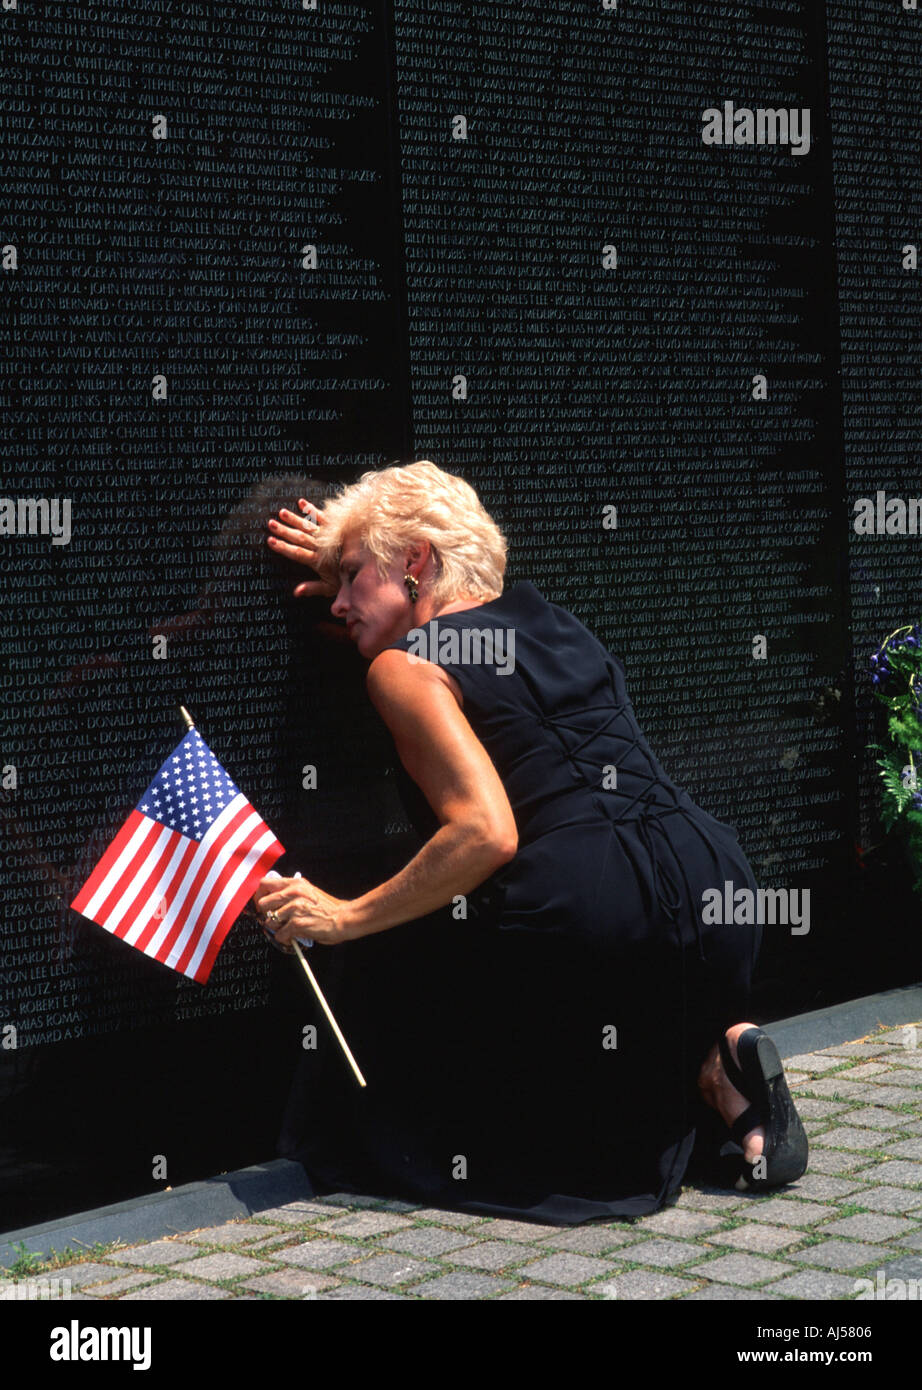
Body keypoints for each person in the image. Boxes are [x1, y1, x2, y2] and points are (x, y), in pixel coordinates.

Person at [252, 460, 808, 1223]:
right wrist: (360, 571)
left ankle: (684, 1071)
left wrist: (343, 916)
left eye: (352, 576)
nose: (338, 601)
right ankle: (718, 1057)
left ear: (416, 562)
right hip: (716, 888)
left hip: (595, 911)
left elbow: (485, 832)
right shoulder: (555, 623)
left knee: (397, 984)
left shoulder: (403, 669)